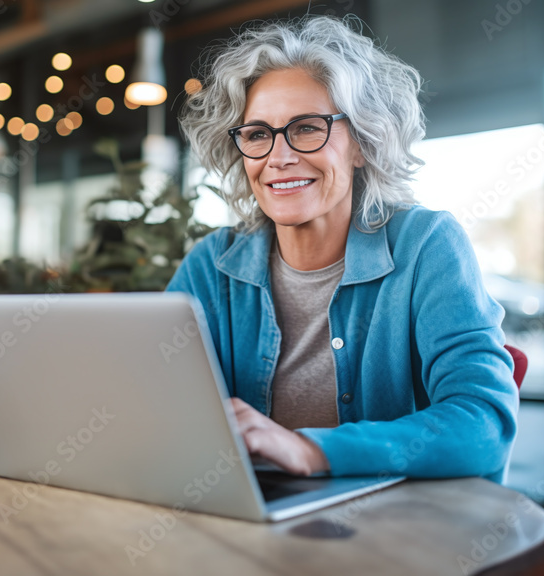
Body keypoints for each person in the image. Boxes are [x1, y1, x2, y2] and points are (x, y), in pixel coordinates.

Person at [167, 15, 518, 482]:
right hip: (248, 528)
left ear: (361, 143)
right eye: (256, 134)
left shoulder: (426, 247)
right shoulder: (210, 266)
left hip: (393, 533)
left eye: (307, 128)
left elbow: (484, 425)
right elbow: (149, 406)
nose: (278, 157)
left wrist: (311, 451)